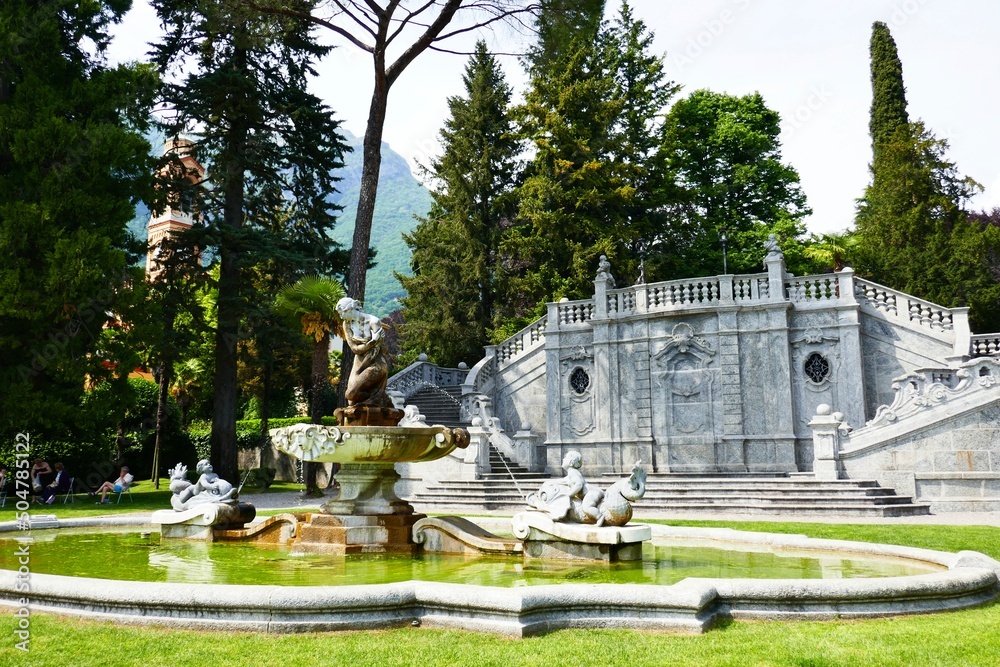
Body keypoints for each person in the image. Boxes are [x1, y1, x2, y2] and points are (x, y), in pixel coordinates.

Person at [336, 296, 391, 405]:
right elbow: (355, 349)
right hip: (359, 361)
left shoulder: (373, 322)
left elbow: (377, 350)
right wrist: (372, 342)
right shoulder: (346, 324)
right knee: (351, 399)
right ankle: (378, 396)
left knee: (351, 394)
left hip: (375, 362)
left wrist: (373, 344)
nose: (341, 316)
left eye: (342, 313)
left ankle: (379, 397)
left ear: (349, 309)